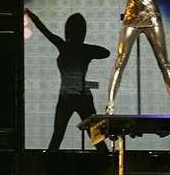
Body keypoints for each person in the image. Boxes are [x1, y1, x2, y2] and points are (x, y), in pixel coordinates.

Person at [25, 9, 109, 152]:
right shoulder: (83, 49)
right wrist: (87, 49)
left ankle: (47, 164)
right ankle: (106, 163)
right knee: (96, 137)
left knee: (58, 135)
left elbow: (46, 32)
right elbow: (105, 52)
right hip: (82, 98)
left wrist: (33, 17)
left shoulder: (63, 46)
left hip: (66, 97)